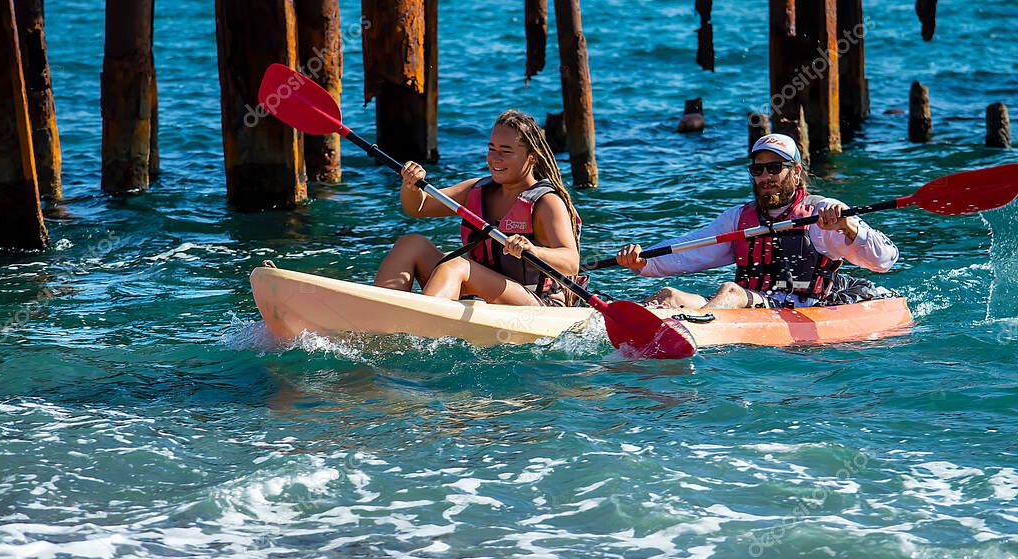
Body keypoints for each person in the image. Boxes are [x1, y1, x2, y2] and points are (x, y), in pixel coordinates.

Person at [615, 134, 900, 309]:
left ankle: (698, 331)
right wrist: (643, 261)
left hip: (804, 308)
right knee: (667, 296)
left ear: (796, 172)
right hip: (752, 304)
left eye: (775, 168)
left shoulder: (822, 212)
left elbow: (884, 260)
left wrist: (848, 227)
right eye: (758, 169)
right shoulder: (739, 218)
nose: (765, 177)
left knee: (730, 292)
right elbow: (690, 249)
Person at [373, 110, 581, 307]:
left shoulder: (546, 203)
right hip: (484, 291)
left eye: (505, 151)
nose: (495, 158)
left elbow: (571, 262)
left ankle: (421, 325)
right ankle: (380, 315)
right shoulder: (477, 190)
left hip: (536, 302)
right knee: (411, 244)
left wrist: (533, 250)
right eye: (492, 149)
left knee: (455, 266)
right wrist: (411, 185)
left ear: (532, 156)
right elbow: (418, 207)